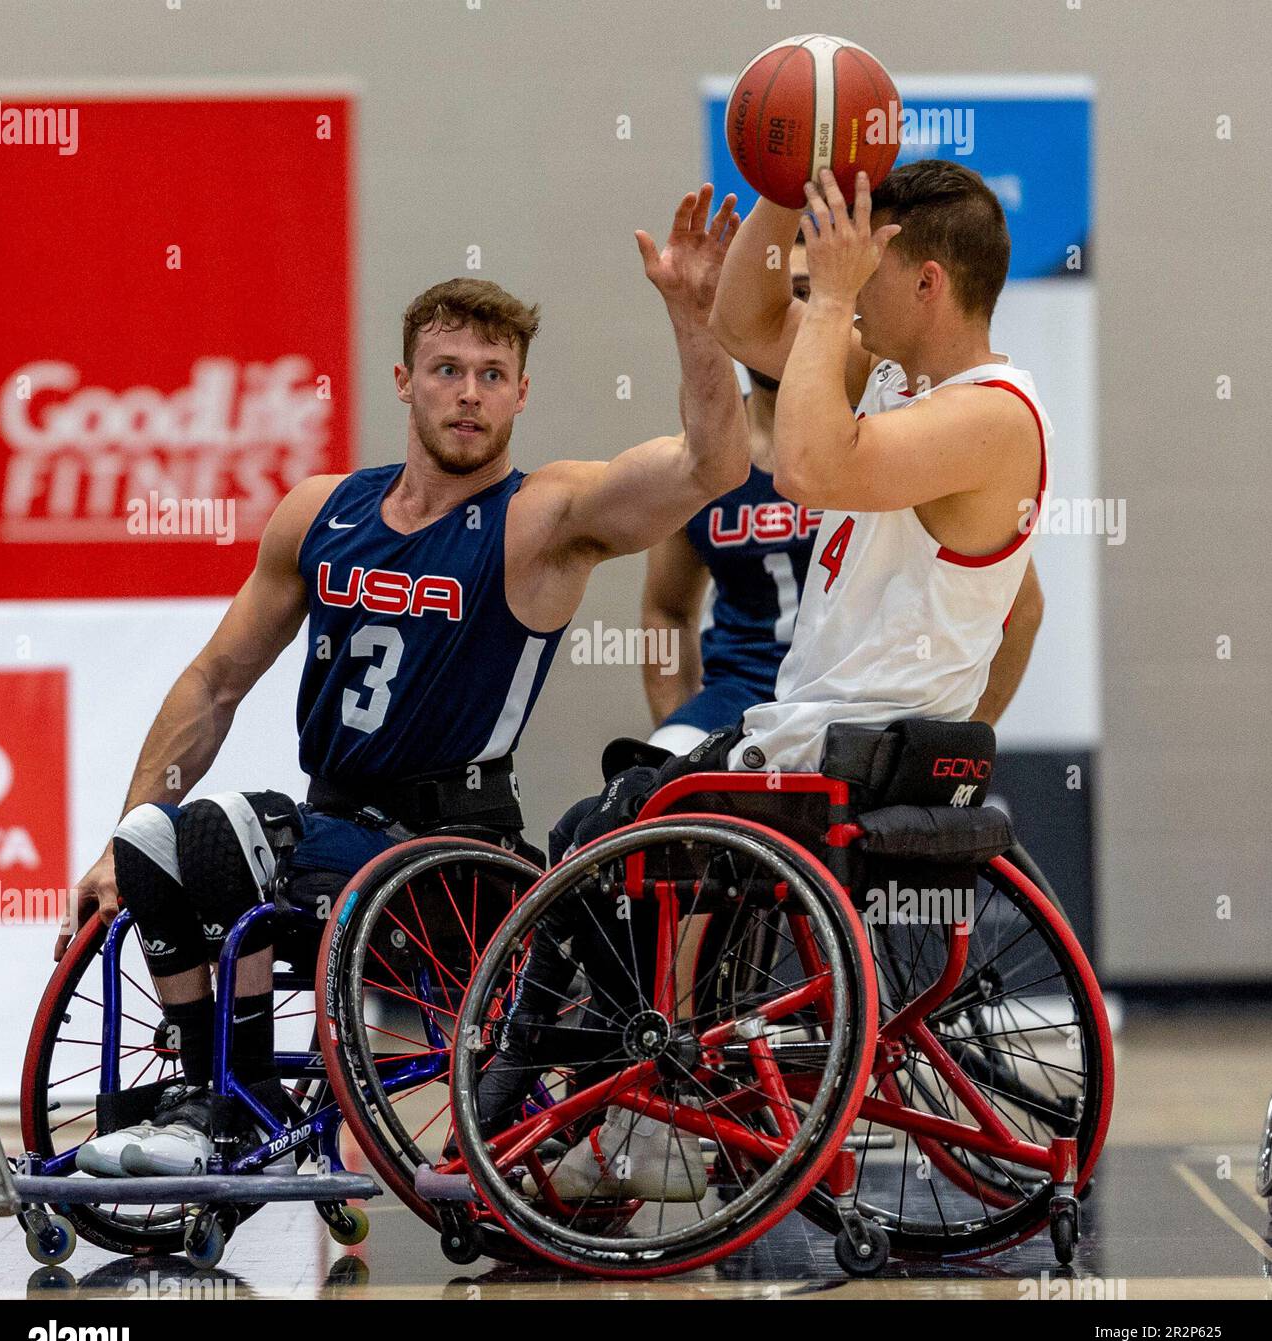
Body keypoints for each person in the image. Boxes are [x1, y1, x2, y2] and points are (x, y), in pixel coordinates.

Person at [57, 185, 751, 1178]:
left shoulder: (543, 518)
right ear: (404, 380)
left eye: (491, 374)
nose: (468, 391)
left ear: (520, 395)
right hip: (328, 829)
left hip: (449, 855)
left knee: (208, 842)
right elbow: (215, 681)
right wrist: (119, 848)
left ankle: (231, 1108)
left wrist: (693, 316)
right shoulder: (322, 512)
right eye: (447, 370)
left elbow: (711, 464)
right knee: (156, 840)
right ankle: (209, 1097)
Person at [513, 158, 1051, 1198]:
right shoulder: (901, 382)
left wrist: (833, 301)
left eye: (867, 266)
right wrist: (790, 166)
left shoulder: (991, 413)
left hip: (846, 746)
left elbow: (806, 468)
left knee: (602, 830)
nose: (838, 290)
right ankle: (608, 1099)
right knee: (613, 829)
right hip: (823, 734)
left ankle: (627, 1111)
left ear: (926, 281)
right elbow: (745, 316)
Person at [643, 225, 1043, 759]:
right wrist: (674, 724)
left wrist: (971, 735)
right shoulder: (704, 455)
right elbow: (665, 609)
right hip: (737, 693)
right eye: (779, 294)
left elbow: (1025, 604)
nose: (792, 310)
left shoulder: (895, 423)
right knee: (638, 788)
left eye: (807, 293)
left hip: (853, 707)